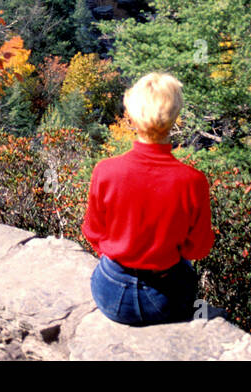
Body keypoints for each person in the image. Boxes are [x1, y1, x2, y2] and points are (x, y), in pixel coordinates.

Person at [81, 72, 214, 326]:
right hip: (165, 299)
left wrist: (123, 253)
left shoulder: (105, 171)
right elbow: (198, 248)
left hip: (108, 291)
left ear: (131, 116)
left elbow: (93, 232)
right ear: (175, 118)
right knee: (185, 270)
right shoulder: (192, 181)